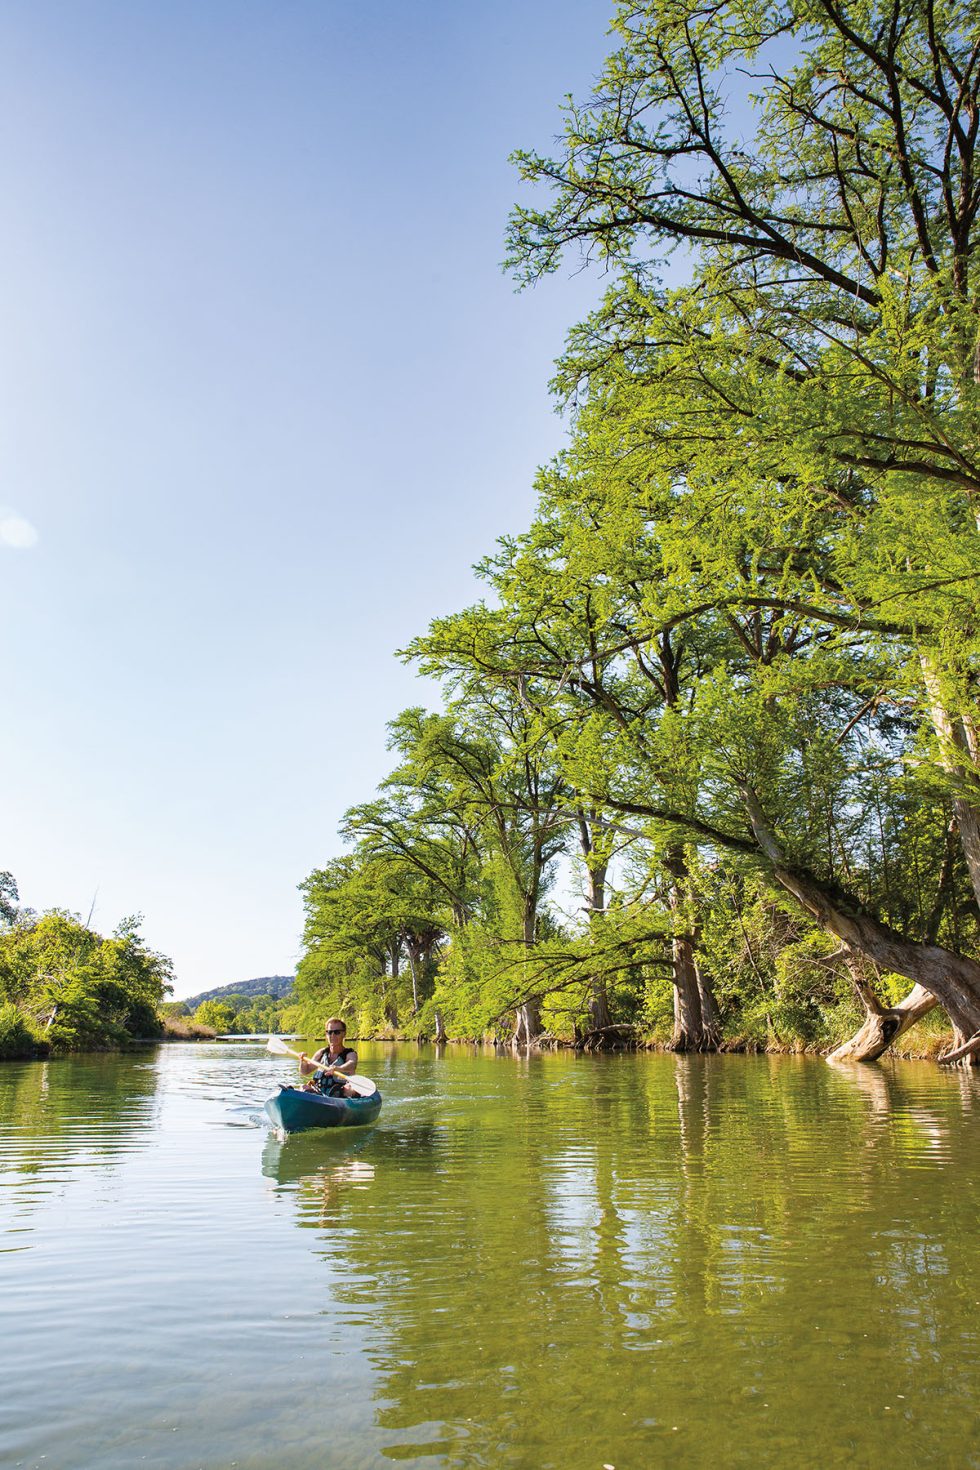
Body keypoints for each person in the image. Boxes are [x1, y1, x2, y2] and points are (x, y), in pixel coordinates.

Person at [299, 1018, 358, 1097]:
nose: (332, 1035)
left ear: (344, 1034)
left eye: (337, 1032)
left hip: (340, 1096)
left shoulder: (350, 1054)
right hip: (319, 1094)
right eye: (329, 1032)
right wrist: (302, 1061)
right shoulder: (321, 1053)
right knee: (303, 1087)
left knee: (350, 1089)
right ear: (326, 1035)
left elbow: (352, 1064)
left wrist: (338, 1068)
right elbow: (305, 1071)